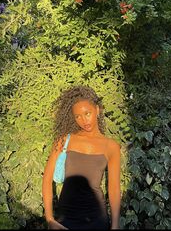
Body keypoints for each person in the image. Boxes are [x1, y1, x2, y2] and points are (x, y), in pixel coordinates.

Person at [42, 85, 121, 230]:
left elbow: (114, 188)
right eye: (78, 116)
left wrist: (115, 225)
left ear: (97, 110)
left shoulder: (111, 146)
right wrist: (49, 219)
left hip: (96, 218)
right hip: (66, 217)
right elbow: (46, 179)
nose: (84, 120)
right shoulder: (64, 140)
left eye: (87, 113)